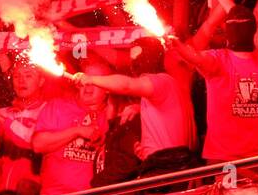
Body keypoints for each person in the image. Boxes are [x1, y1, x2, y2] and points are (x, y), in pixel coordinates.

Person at [169, 5, 258, 163]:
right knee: (231, 189)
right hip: (225, 160)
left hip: (256, 158)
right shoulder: (218, 60)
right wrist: (177, 45)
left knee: (239, 189)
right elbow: (194, 57)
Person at [74, 37, 200, 177]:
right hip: (169, 167)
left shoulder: (161, 82)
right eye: (132, 59)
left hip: (168, 169)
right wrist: (147, 149)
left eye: (137, 57)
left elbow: (126, 86)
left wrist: (90, 79)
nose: (134, 64)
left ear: (151, 57)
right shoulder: (165, 87)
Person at [0, 58, 50, 195]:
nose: (21, 81)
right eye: (17, 76)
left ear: (41, 81)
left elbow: (33, 142)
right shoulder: (2, 112)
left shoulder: (49, 111)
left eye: (28, 75)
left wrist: (0, 118)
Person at [31, 59, 110, 195]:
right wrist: (77, 131)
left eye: (95, 82)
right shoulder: (58, 106)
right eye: (84, 82)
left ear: (107, 88)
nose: (88, 87)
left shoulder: (112, 116)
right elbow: (38, 144)